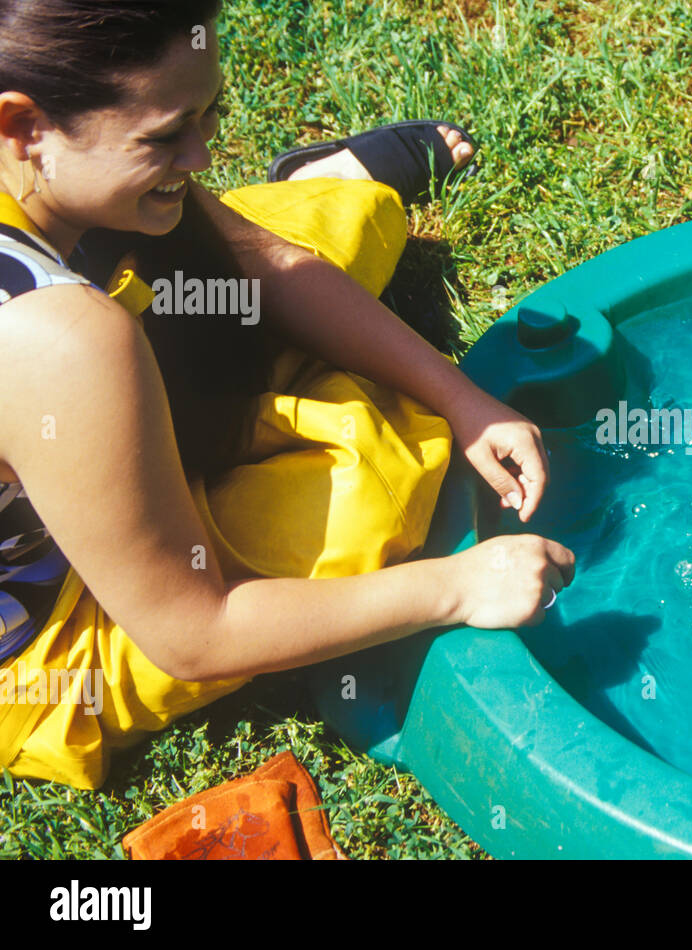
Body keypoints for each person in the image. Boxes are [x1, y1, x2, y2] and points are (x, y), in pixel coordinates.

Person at [0, 0, 574, 789]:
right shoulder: (56, 339)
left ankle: (324, 182)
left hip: (98, 352)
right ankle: (320, 192)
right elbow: (192, 633)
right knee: (379, 484)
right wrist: (456, 586)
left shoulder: (64, 178)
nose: (203, 153)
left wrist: (461, 395)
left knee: (337, 230)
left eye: (209, 116)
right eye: (167, 134)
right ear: (23, 124)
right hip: (50, 643)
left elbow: (261, 262)